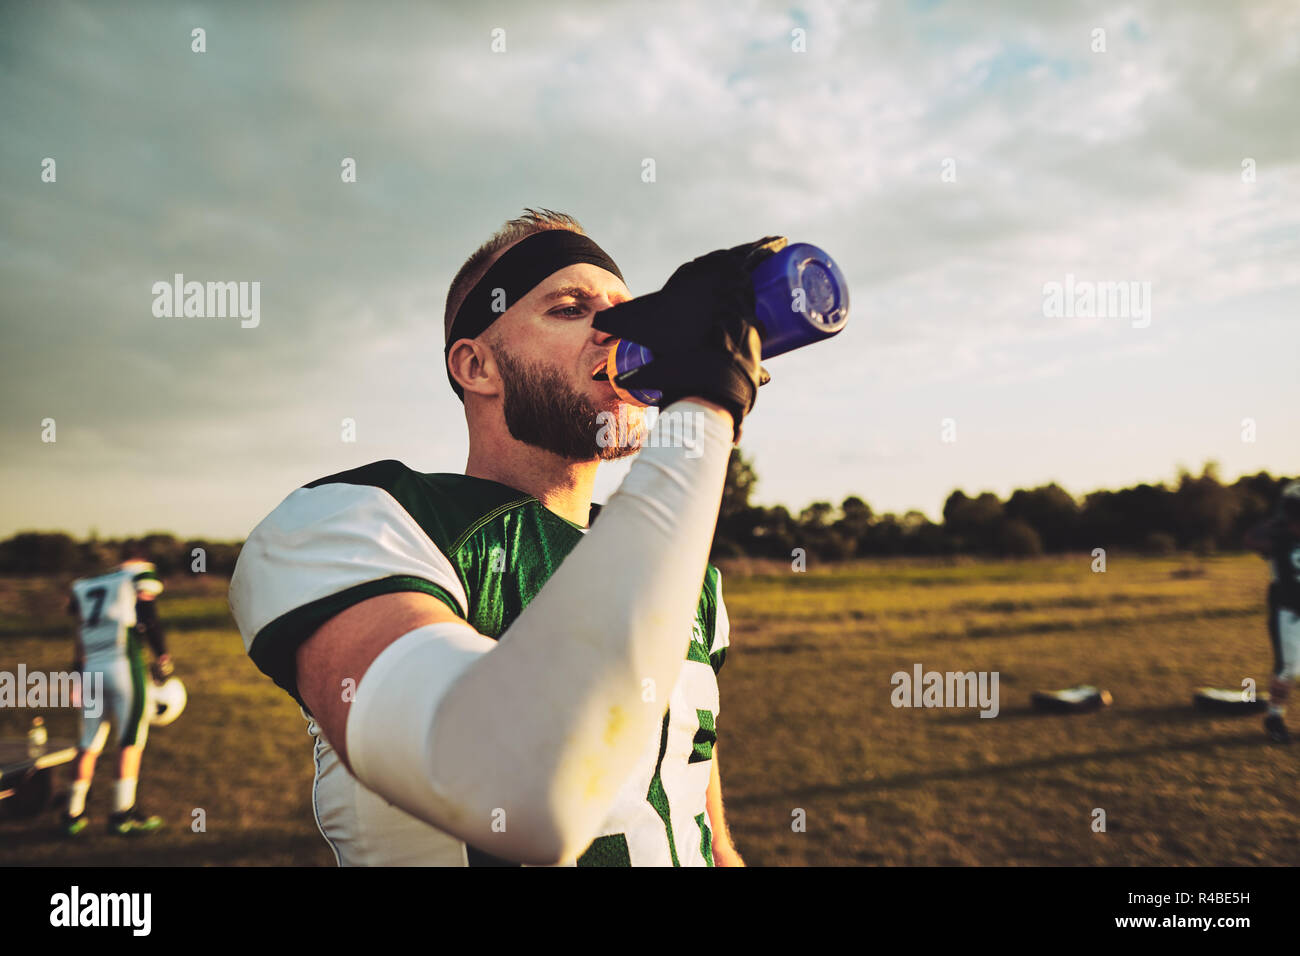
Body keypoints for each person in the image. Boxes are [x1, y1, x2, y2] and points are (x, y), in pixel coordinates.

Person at [229, 208, 774, 865]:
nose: (618, 330)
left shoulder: (684, 570)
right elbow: (522, 789)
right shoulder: (366, 519)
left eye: (627, 311)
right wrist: (705, 405)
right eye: (571, 309)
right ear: (476, 365)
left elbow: (696, 817)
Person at [64, 550, 172, 835]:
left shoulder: (85, 585)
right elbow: (149, 616)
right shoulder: (138, 576)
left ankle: (72, 814)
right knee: (130, 739)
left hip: (91, 668)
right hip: (124, 665)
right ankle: (122, 814)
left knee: (88, 742)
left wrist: (78, 669)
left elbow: (79, 627)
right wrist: (163, 656)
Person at [1244, 479, 1300, 744]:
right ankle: (1274, 717)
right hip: (1287, 613)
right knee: (1287, 669)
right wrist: (1277, 523)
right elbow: (1251, 539)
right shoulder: (1279, 538)